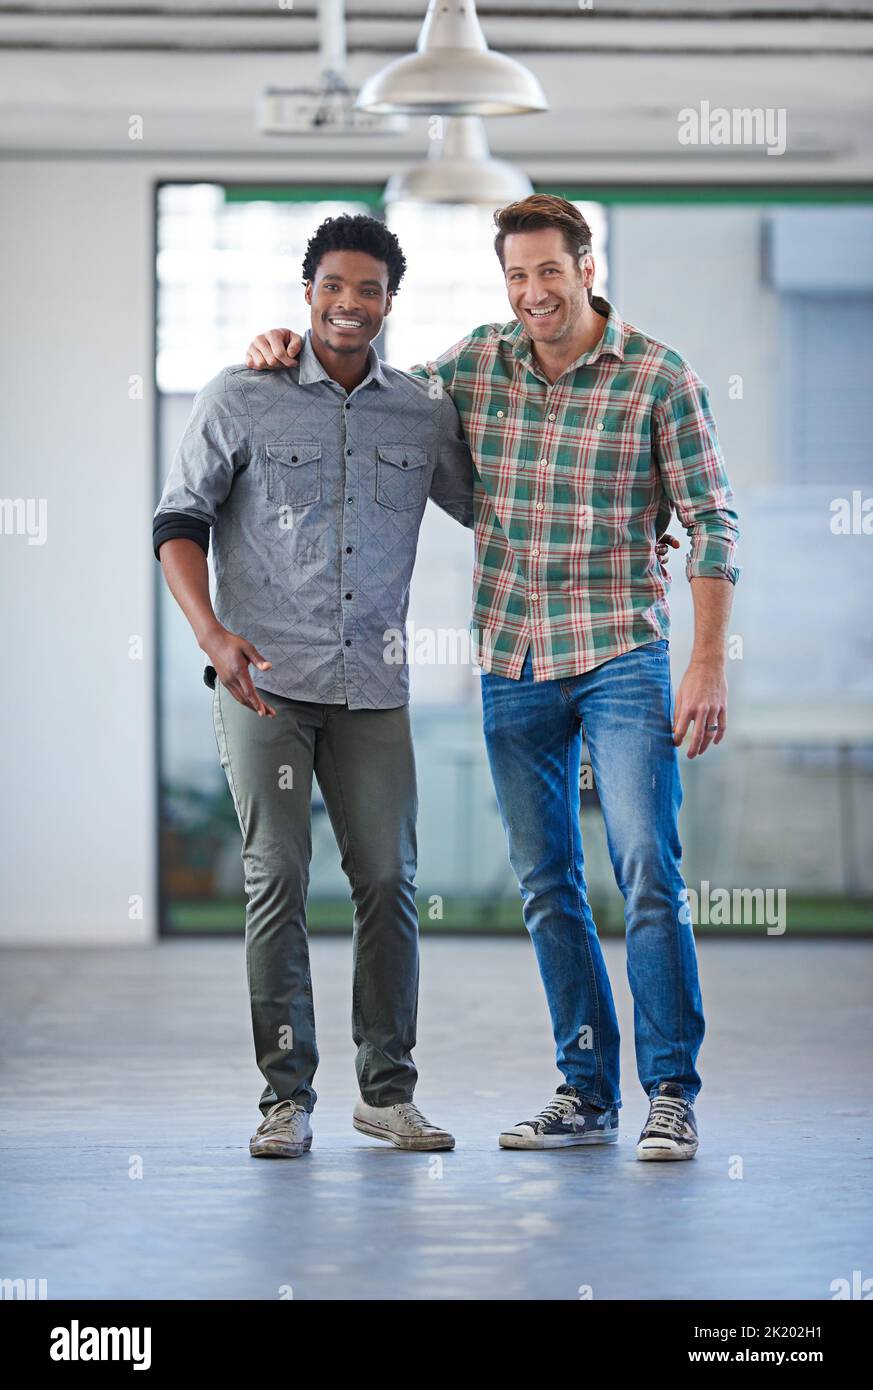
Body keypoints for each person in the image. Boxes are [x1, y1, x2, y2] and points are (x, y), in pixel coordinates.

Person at [244, 194, 740, 1162]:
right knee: (547, 883)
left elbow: (713, 520)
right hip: (512, 658)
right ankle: (587, 1089)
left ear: (586, 269)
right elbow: (367, 388)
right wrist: (282, 345)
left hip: (620, 654)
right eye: (516, 275)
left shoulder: (658, 377)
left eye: (549, 271)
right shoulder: (475, 364)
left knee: (646, 870)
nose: (533, 292)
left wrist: (707, 659)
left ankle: (671, 1092)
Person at [153, 215, 476, 1158]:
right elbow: (178, 520)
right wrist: (213, 633)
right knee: (277, 876)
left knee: (387, 879)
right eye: (334, 286)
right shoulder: (240, 395)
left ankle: (386, 1092)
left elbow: (490, 505)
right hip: (265, 686)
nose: (350, 304)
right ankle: (283, 1099)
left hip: (372, 685)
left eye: (369, 290)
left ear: (388, 302)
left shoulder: (420, 411)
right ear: (308, 293)